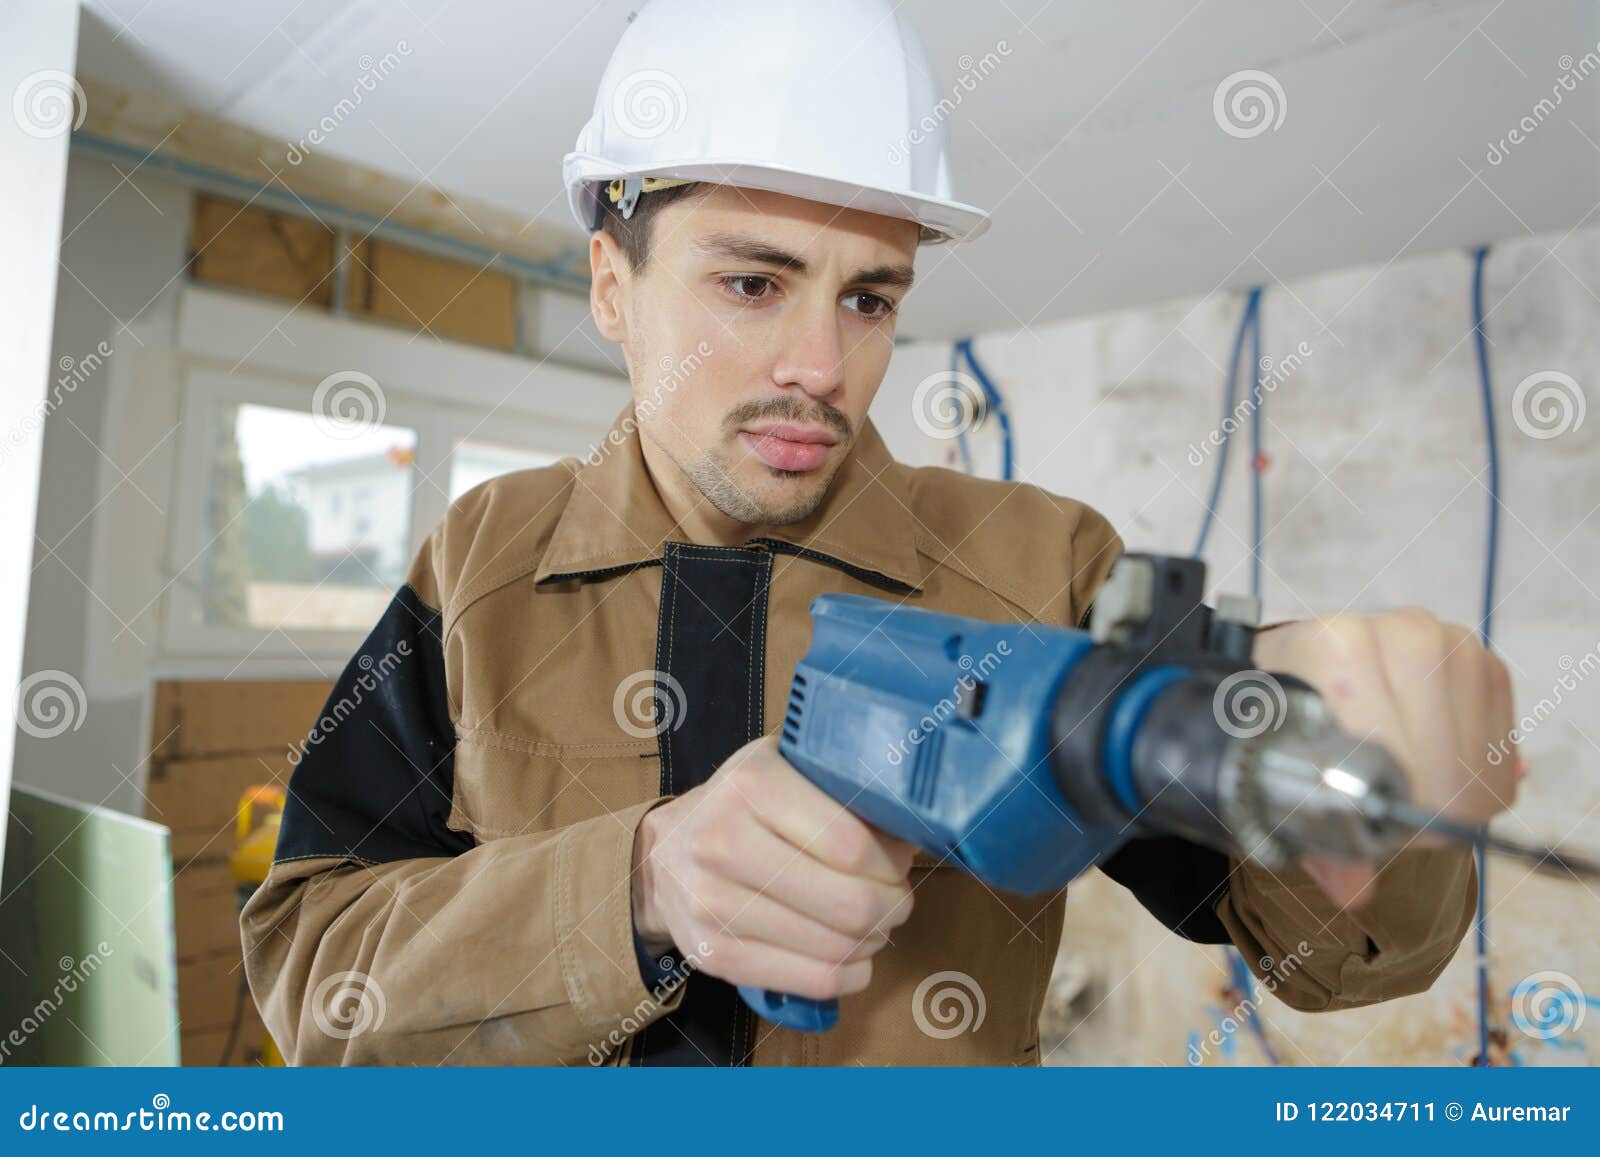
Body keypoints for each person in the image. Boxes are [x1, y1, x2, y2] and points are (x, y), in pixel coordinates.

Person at [241, 0, 1515, 1066]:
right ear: (611, 286)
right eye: (753, 282)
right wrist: (636, 887)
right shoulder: (478, 558)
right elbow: (311, 971)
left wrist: (1368, 804)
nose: (822, 367)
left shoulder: (1043, 564)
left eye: (869, 297)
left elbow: (1320, 960)